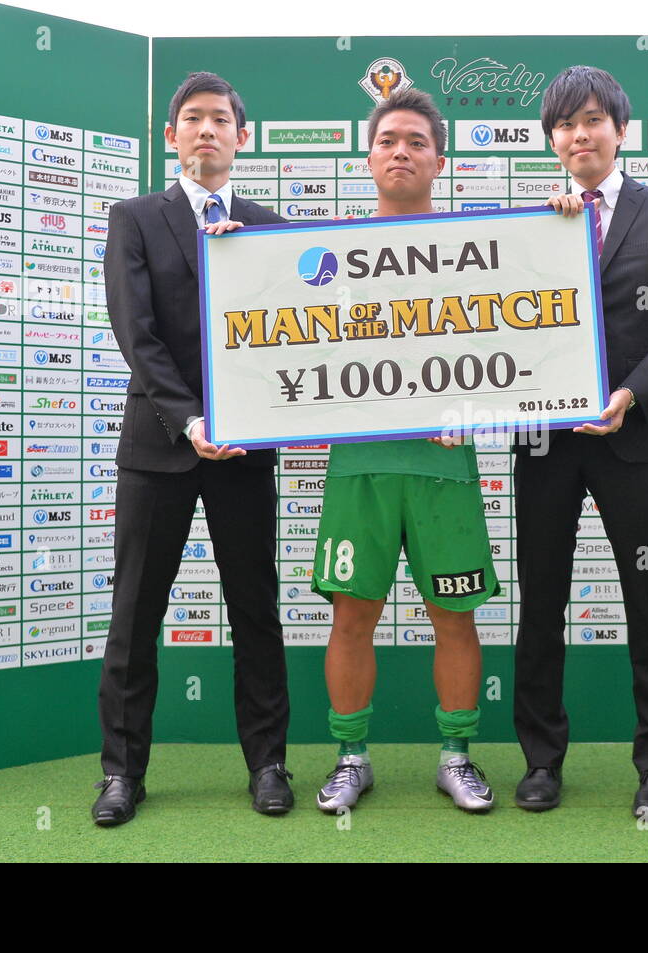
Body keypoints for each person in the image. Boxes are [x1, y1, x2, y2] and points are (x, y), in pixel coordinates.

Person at [92, 72, 291, 826]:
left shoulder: (273, 228)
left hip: (246, 450)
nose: (206, 129)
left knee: (255, 611)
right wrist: (190, 418)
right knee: (135, 613)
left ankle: (269, 763)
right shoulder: (135, 219)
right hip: (159, 447)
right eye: (191, 119)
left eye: (220, 120)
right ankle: (121, 771)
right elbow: (135, 334)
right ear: (170, 136)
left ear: (243, 136)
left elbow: (295, 342)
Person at [513, 66, 648, 819]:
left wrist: (629, 396)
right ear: (552, 140)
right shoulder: (532, 225)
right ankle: (540, 760)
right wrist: (547, 239)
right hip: (544, 443)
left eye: (592, 120)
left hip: (640, 441)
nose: (578, 134)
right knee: (542, 601)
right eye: (564, 124)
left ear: (620, 130)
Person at [311, 88, 499, 814]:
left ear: (439, 160)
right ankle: (351, 755)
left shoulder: (477, 254)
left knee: (454, 615)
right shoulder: (326, 254)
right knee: (351, 615)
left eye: (416, 140)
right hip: (358, 461)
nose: (400, 150)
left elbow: (513, 348)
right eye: (388, 138)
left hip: (444, 461)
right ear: (368, 156)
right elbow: (277, 340)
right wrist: (236, 253)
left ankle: (456, 754)